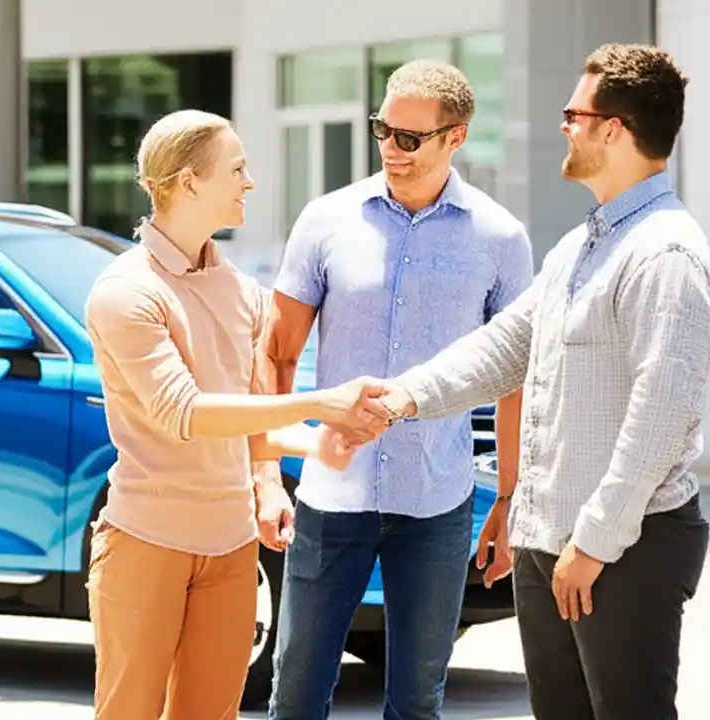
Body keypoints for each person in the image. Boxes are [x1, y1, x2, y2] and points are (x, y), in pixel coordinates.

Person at [372, 43, 710, 719]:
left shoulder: (666, 253)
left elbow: (660, 413)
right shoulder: (582, 245)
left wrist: (593, 541)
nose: (564, 125)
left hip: (624, 548)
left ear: (613, 129)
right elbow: (506, 347)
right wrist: (405, 396)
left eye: (574, 113)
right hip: (550, 542)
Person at [82, 109, 387, 720]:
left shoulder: (243, 292)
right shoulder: (126, 292)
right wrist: (315, 403)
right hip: (147, 541)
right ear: (188, 182)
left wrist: (308, 449)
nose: (250, 182)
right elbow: (185, 412)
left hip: (231, 547)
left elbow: (250, 419)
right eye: (238, 169)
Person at [261, 59, 534, 719]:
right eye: (383, 129)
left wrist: (507, 495)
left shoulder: (500, 239)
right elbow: (276, 351)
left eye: (410, 138)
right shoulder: (327, 221)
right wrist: (267, 475)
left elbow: (515, 374)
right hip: (331, 496)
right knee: (295, 695)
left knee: (417, 703)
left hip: (436, 502)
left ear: (456, 138)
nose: (391, 148)